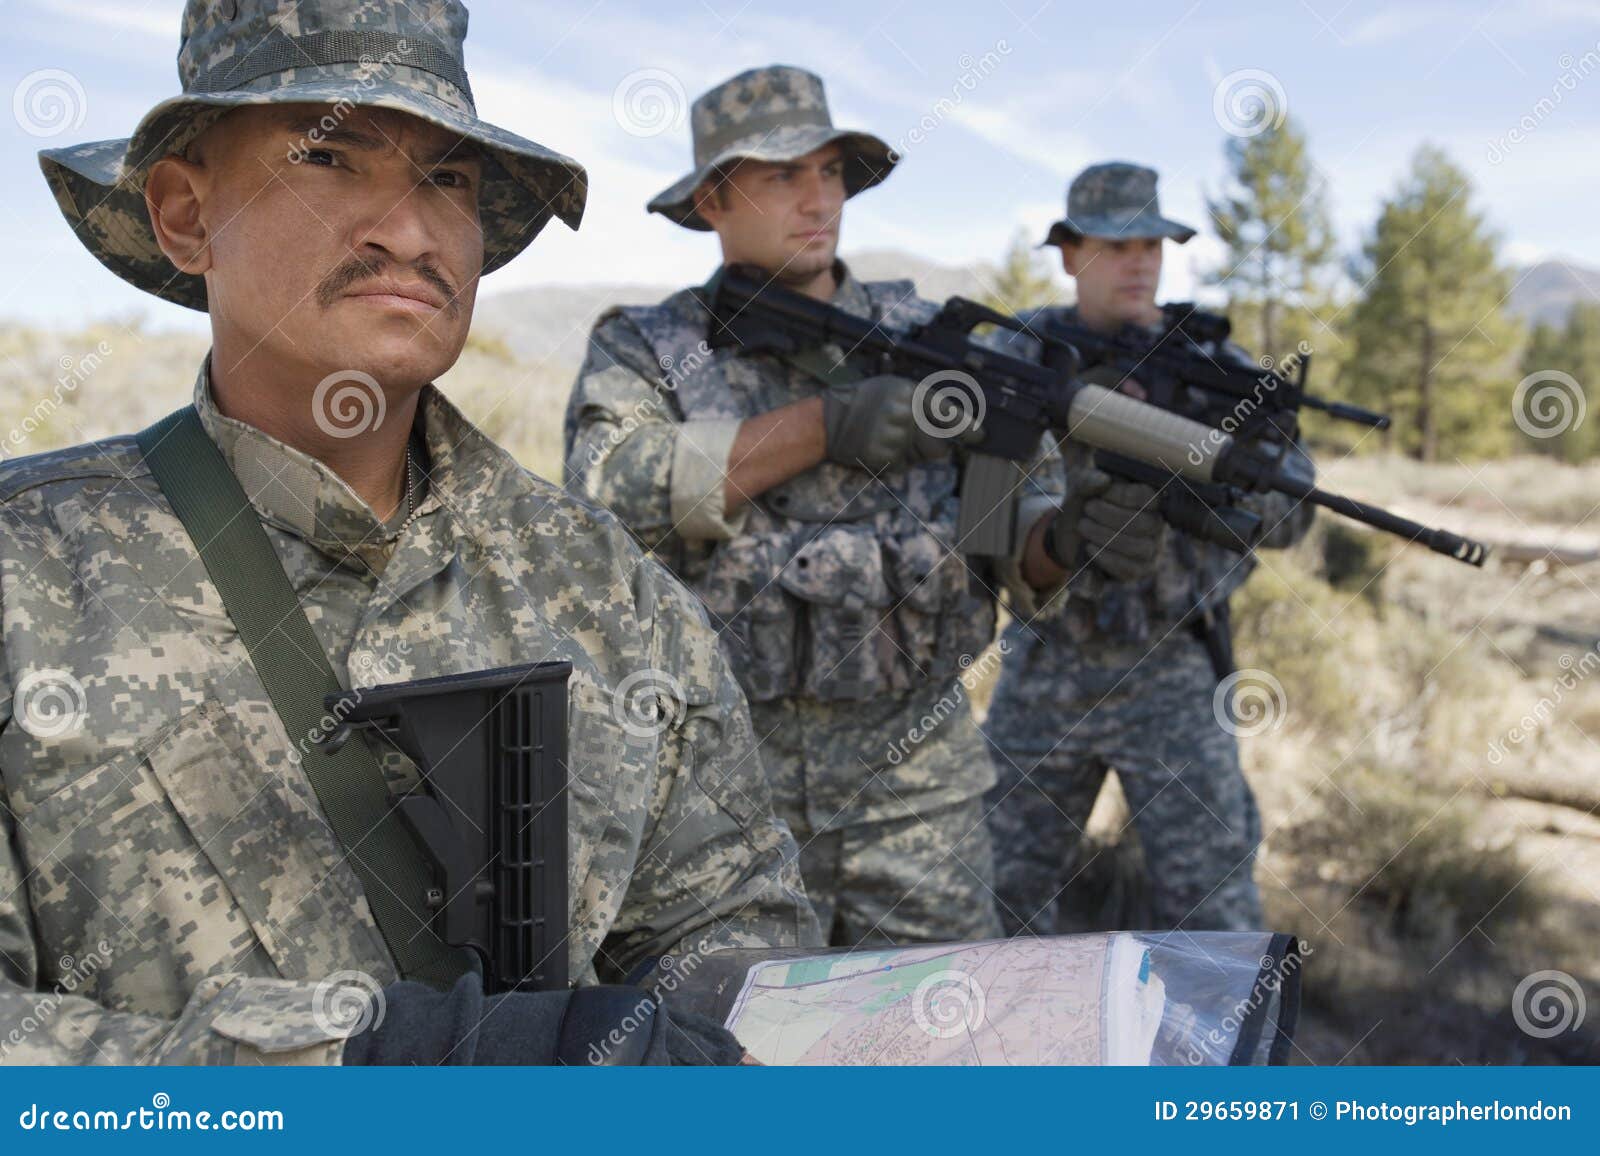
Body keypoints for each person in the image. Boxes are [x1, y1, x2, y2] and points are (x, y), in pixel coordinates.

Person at [1, 0, 818, 1066]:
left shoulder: (609, 588)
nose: (411, 229)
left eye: (447, 178)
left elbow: (741, 946)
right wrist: (364, 1063)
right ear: (186, 215)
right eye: (331, 156)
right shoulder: (30, 573)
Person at [564, 66, 1166, 946]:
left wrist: (1066, 538)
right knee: (730, 1054)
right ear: (712, 200)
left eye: (832, 172)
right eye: (782, 175)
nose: (819, 200)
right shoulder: (649, 347)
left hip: (920, 800)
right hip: (719, 803)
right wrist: (822, 425)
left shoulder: (936, 346)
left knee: (939, 1053)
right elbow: (603, 494)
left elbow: (1004, 540)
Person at [984, 162, 1316, 935]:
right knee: (995, 899)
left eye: (1151, 244)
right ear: (1069, 254)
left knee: (1215, 914)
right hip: (1046, 659)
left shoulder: (1213, 369)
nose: (1138, 261)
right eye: (1114, 244)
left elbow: (1297, 510)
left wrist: (1200, 473)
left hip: (1173, 665)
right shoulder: (1019, 351)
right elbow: (964, 491)